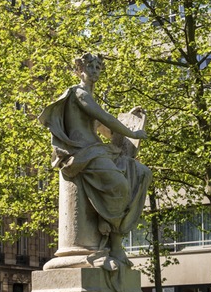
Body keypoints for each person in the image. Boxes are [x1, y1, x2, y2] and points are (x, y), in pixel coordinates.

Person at [39, 53, 151, 269]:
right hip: (83, 153)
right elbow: (104, 117)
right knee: (119, 185)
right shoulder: (78, 93)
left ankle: (112, 233)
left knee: (142, 173)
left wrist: (131, 120)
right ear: (80, 69)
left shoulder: (89, 97)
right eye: (91, 66)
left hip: (98, 151)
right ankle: (113, 240)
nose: (95, 70)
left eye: (99, 67)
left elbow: (107, 130)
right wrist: (132, 133)